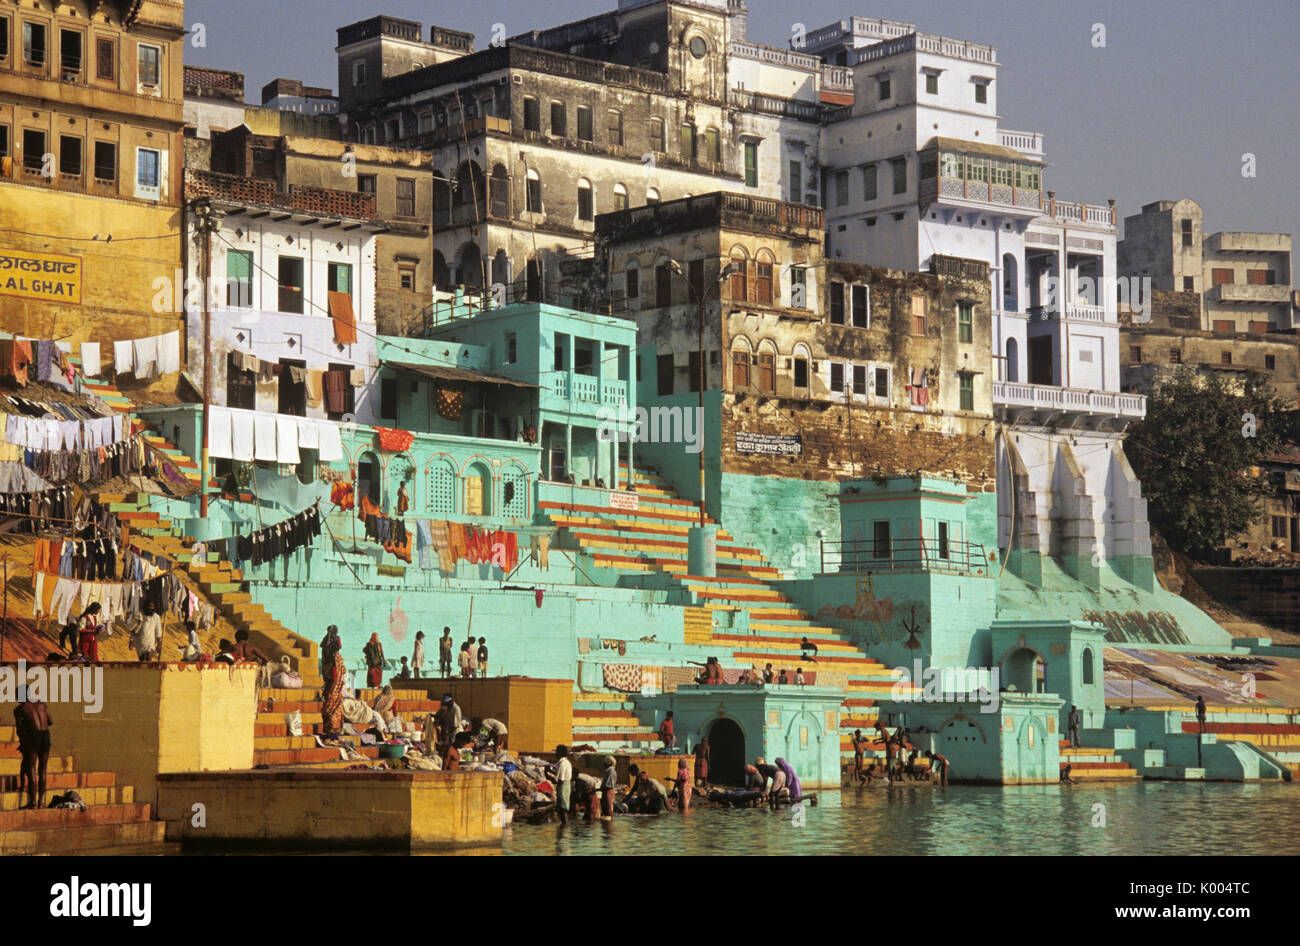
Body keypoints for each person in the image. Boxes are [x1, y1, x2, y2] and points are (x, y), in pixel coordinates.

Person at [13, 687, 52, 810]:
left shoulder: (19, 709)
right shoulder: (42, 704)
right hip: (46, 735)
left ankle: (33, 803)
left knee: (31, 770)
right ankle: (41, 803)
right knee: (43, 770)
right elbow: (50, 721)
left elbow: (19, 730)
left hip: (33, 736)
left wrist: (24, 736)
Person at [321, 626, 347, 734]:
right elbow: (339, 675)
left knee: (329, 699)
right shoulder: (336, 658)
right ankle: (333, 727)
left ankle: (329, 727)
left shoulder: (325, 642)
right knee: (334, 702)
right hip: (335, 682)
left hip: (329, 678)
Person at [552, 745, 573, 825]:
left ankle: (564, 826)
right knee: (564, 806)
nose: (555, 753)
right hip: (565, 785)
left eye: (557, 752)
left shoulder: (563, 763)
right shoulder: (565, 762)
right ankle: (564, 826)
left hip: (563, 786)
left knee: (563, 807)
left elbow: (561, 779)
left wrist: (553, 782)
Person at [600, 755, 619, 820]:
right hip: (606, 791)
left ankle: (609, 826)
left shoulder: (611, 771)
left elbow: (608, 785)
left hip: (608, 792)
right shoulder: (608, 771)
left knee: (608, 809)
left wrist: (598, 789)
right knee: (606, 809)